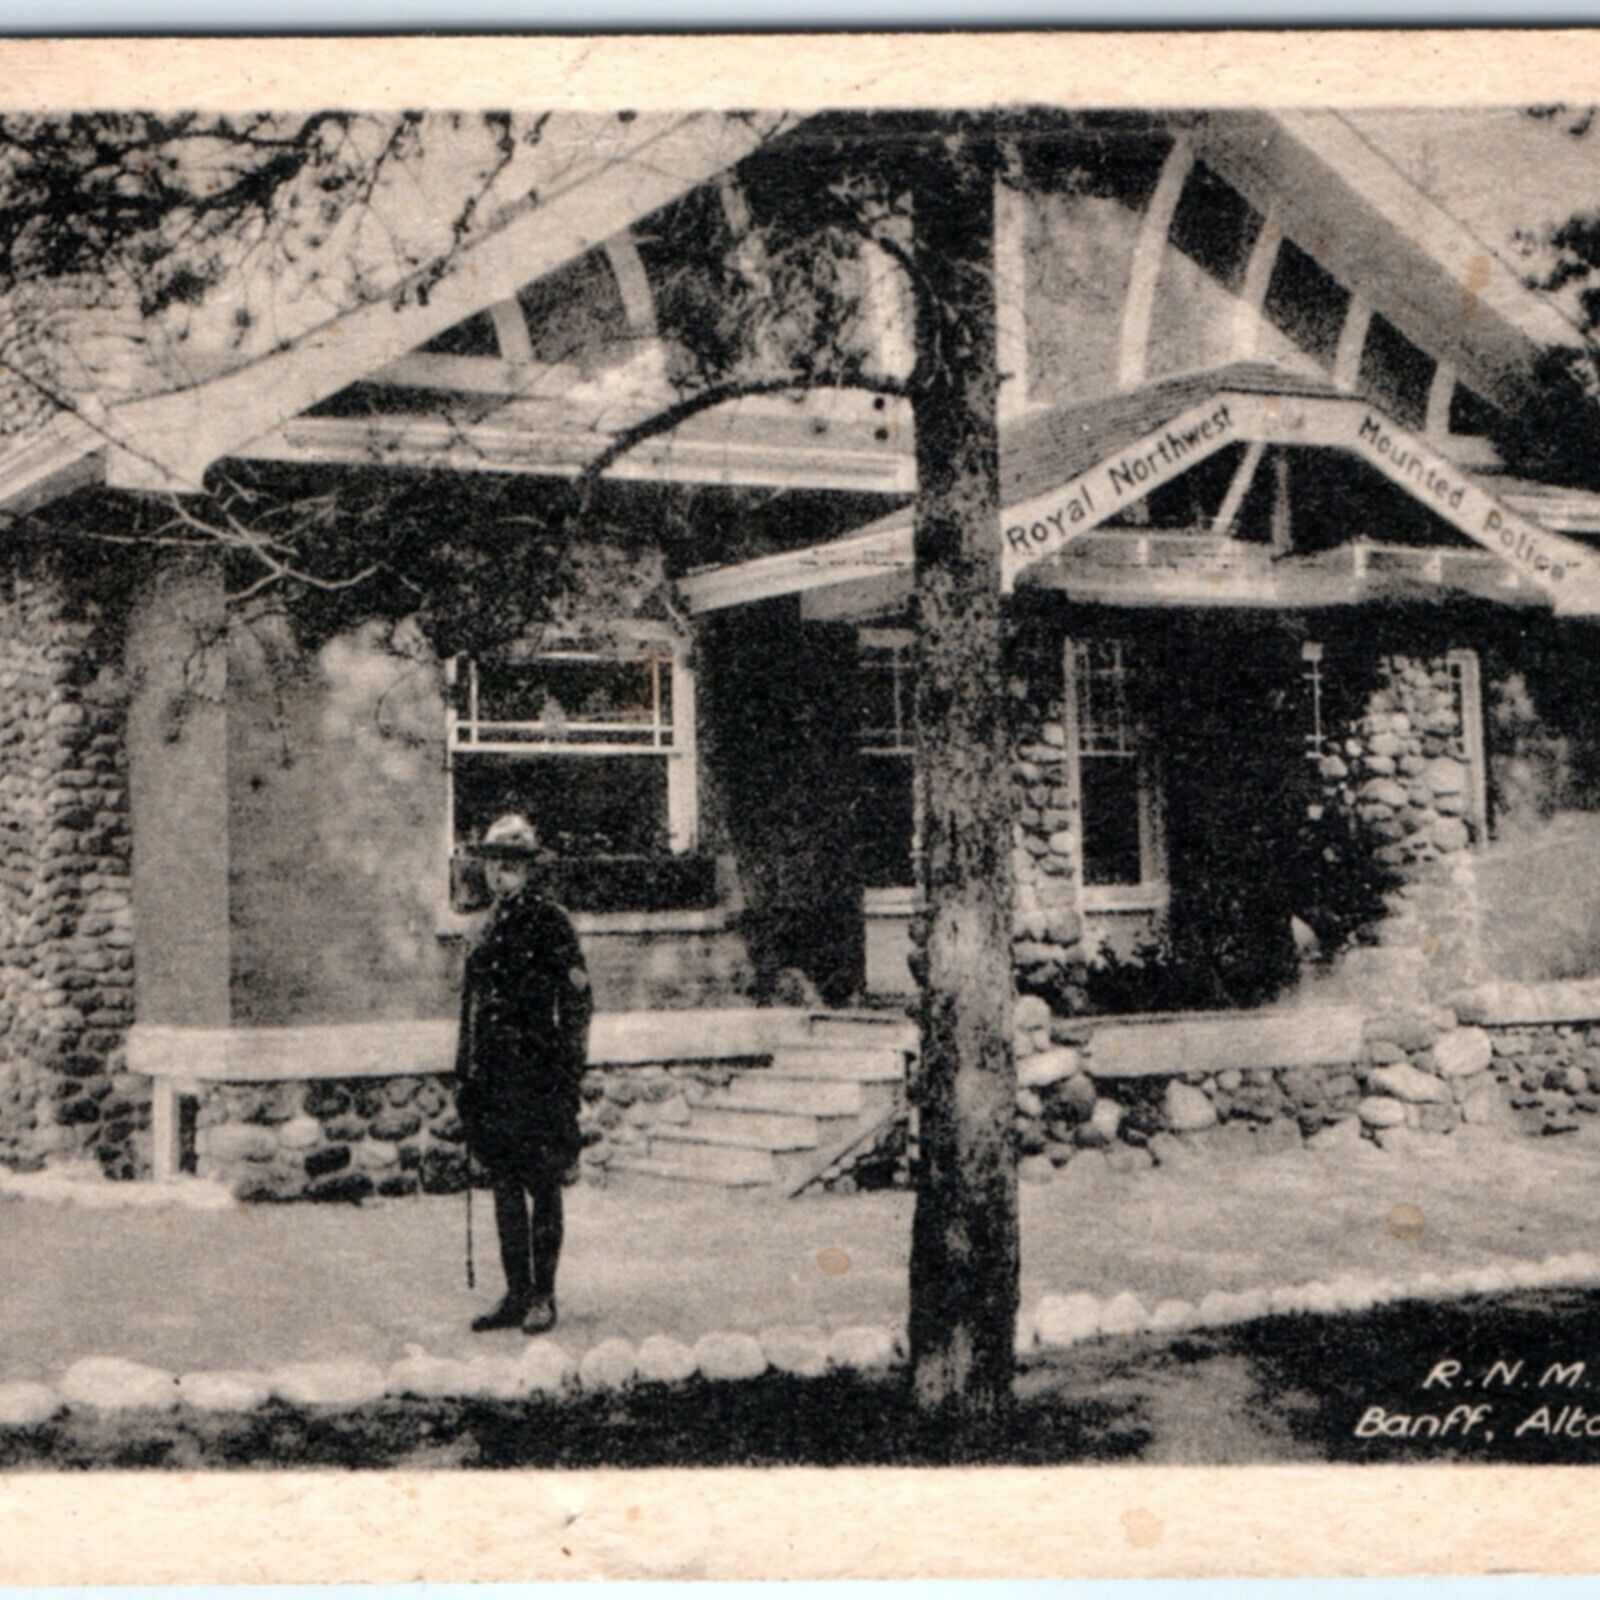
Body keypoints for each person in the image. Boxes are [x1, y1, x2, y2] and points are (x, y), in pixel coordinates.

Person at [454, 813, 593, 1334]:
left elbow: (577, 1003)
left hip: (538, 1077)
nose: (499, 873)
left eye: (510, 864)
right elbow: (470, 1008)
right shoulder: (482, 927)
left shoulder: (550, 922)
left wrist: (568, 1071)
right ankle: (516, 1294)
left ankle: (544, 1296)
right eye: (492, 863)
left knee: (543, 1185)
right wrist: (464, 1071)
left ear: (529, 869)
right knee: (505, 1186)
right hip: (493, 1078)